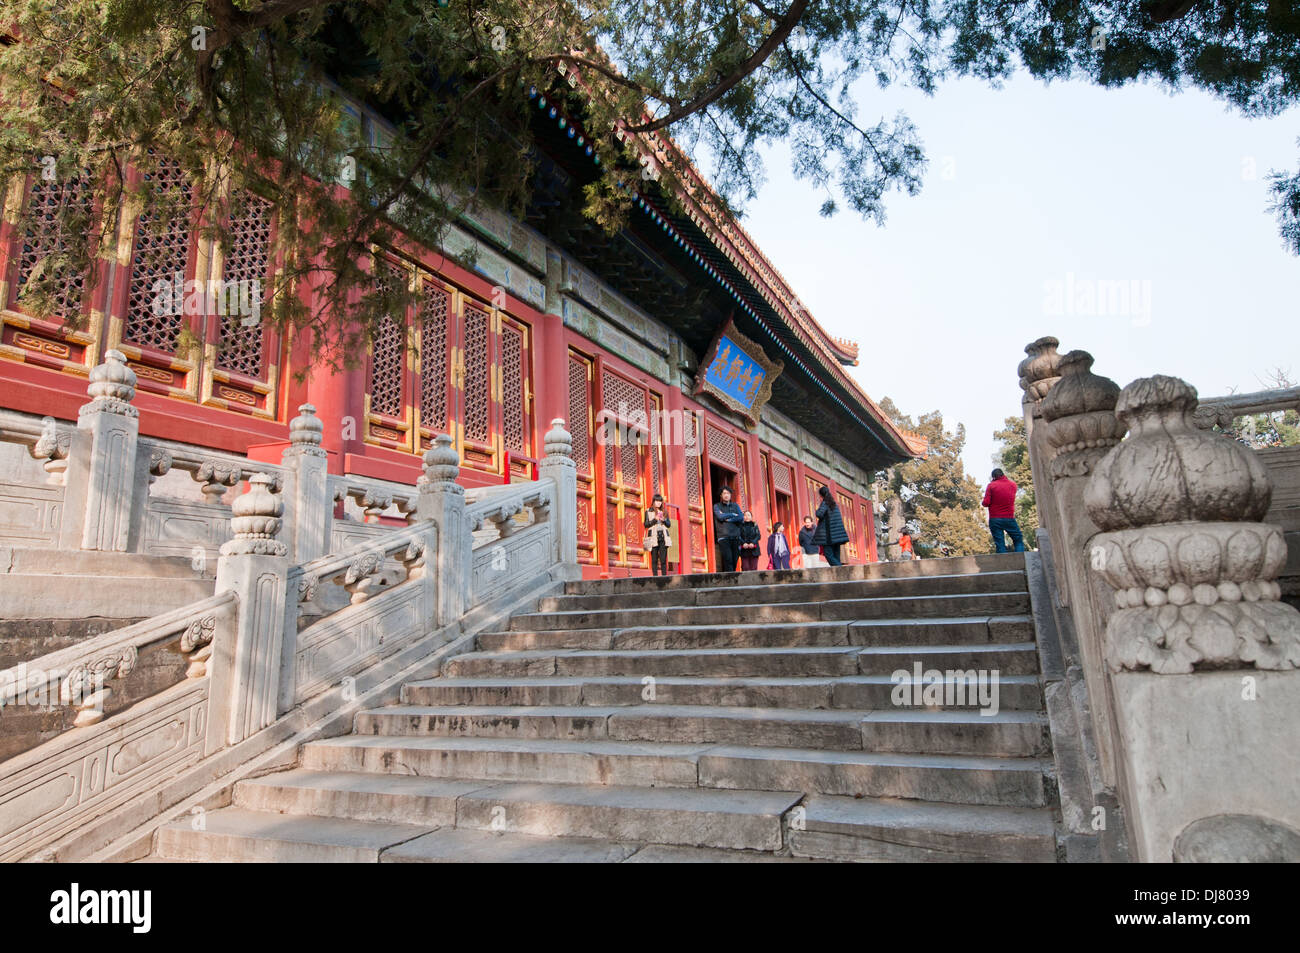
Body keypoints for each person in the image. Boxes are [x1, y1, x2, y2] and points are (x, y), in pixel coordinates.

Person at [982, 468, 1025, 553]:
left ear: (994, 477)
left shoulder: (991, 486)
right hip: (1009, 518)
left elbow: (986, 503)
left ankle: (1003, 563)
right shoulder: (1013, 485)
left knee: (1000, 544)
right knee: (1018, 540)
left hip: (995, 518)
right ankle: (1020, 560)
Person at [812, 486, 850, 566]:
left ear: (821, 495)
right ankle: (840, 576)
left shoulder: (825, 503)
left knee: (828, 554)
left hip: (829, 535)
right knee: (836, 556)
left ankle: (841, 570)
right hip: (837, 535)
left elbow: (819, 514)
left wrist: (817, 510)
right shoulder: (834, 504)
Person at [712, 486, 744, 571]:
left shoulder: (735, 505)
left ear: (730, 495)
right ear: (721, 495)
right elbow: (720, 516)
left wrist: (728, 518)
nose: (726, 495)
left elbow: (741, 517)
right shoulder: (717, 506)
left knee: (735, 560)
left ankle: (732, 578)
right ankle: (730, 579)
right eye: (724, 493)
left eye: (728, 493)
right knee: (728, 559)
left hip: (736, 537)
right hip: (724, 537)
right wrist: (733, 514)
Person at [643, 492, 672, 576]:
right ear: (653, 501)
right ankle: (655, 577)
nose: (658, 503)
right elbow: (646, 524)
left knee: (663, 559)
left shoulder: (664, 511)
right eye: (657, 501)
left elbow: (669, 525)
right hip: (653, 537)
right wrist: (655, 520)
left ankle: (664, 577)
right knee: (654, 559)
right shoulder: (648, 511)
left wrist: (664, 520)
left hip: (663, 537)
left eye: (660, 501)